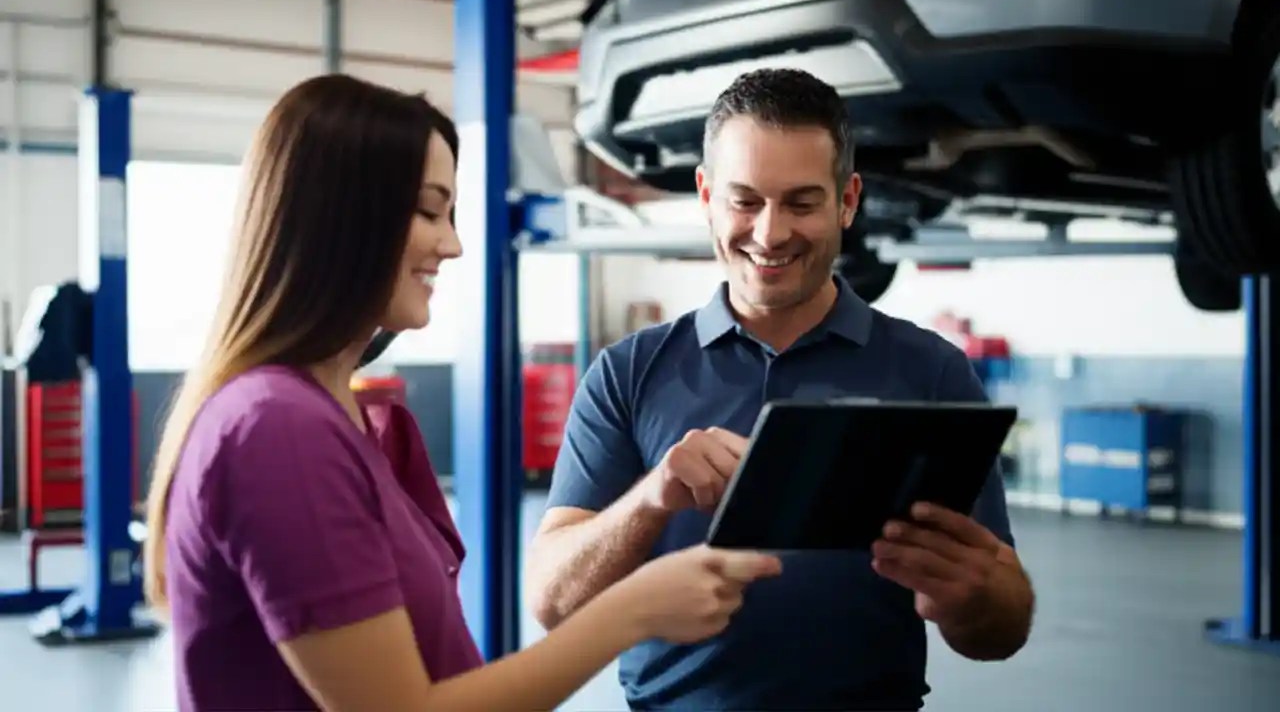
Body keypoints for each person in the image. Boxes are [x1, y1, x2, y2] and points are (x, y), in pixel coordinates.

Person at [141, 73, 783, 712]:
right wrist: (632, 610)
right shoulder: (277, 431)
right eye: (428, 211)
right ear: (340, 215)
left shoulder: (340, 422)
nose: (451, 244)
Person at [525, 68, 1036, 712]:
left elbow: (1003, 627)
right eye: (745, 201)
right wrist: (649, 501)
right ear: (706, 194)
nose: (769, 234)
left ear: (847, 201)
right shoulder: (629, 373)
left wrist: (974, 598)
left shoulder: (931, 371)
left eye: (801, 202)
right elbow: (552, 603)